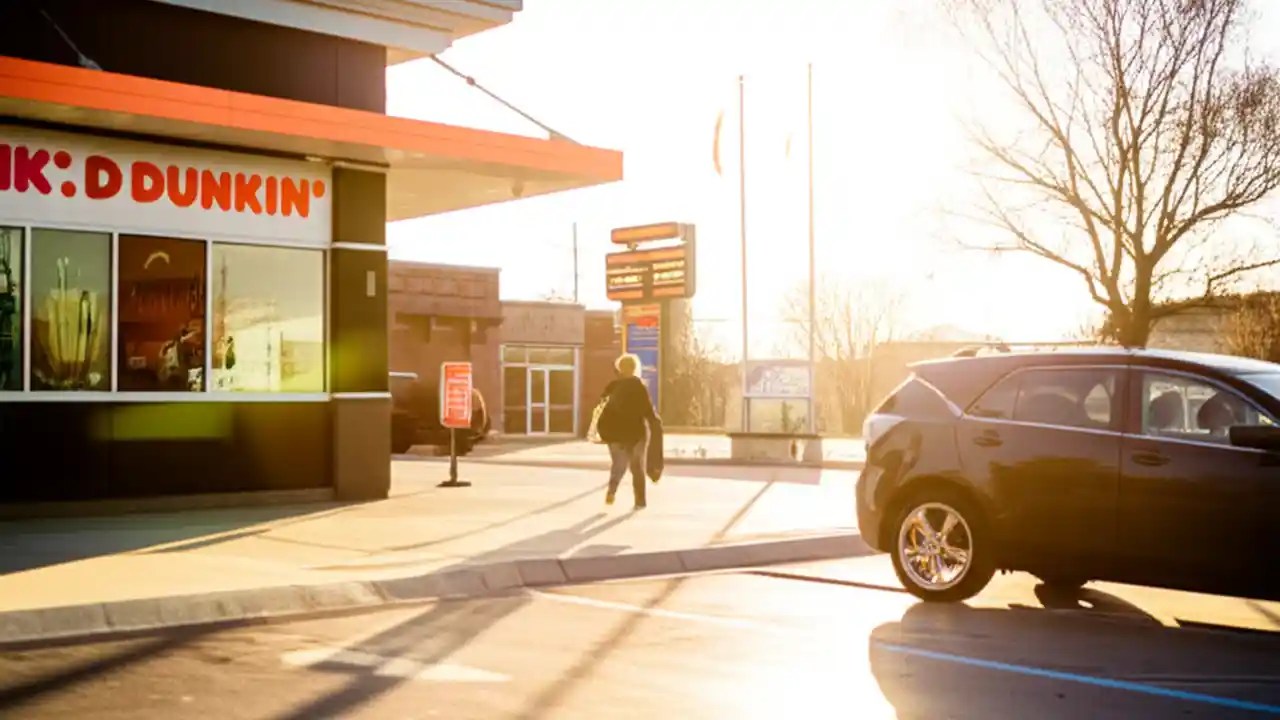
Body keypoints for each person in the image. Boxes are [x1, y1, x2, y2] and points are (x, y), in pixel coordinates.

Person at [597, 353, 661, 509]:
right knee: (637, 467)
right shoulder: (639, 387)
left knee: (618, 465)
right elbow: (648, 413)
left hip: (614, 434)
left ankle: (612, 491)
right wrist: (656, 423)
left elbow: (601, 408)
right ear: (634, 368)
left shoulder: (612, 387)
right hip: (636, 433)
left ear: (620, 368)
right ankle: (640, 502)